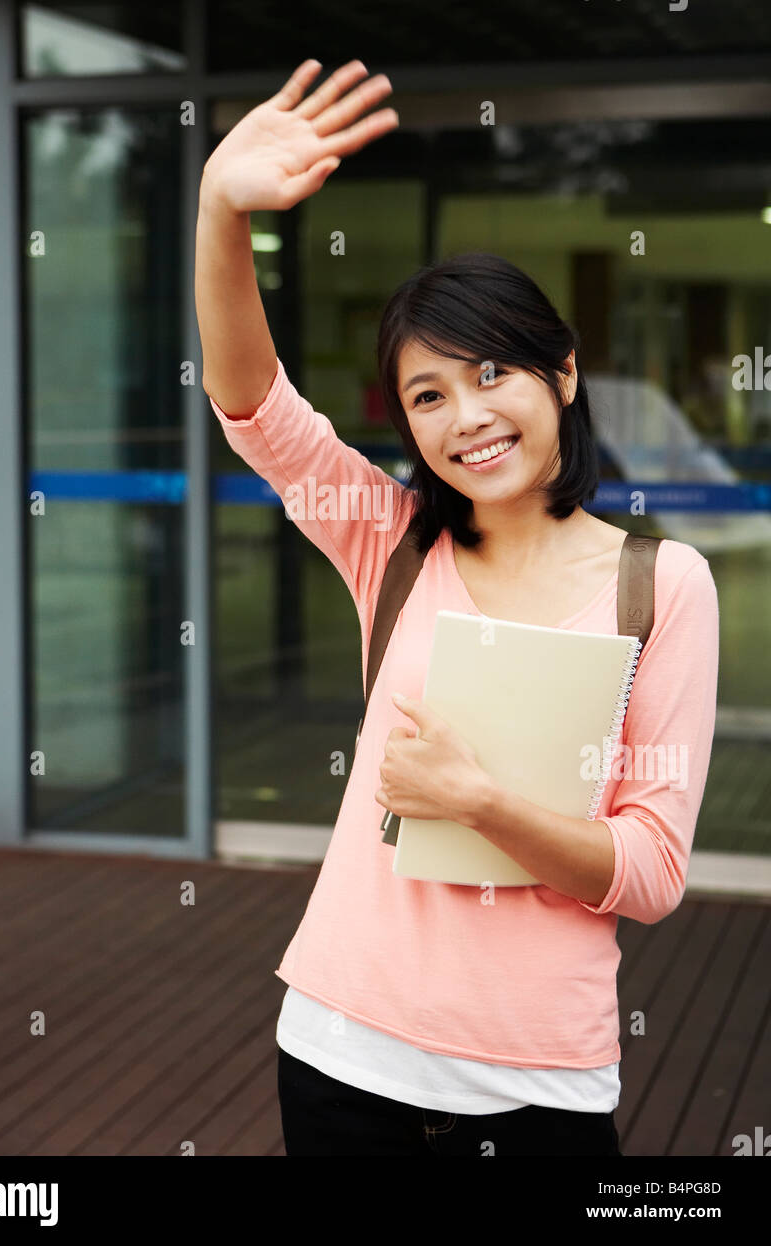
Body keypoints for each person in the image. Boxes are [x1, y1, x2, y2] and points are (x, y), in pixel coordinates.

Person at [194, 58, 720, 1157]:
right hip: (342, 1049)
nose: (466, 415)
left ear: (564, 377)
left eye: (494, 373)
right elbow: (253, 406)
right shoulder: (390, 538)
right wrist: (220, 211)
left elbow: (653, 872)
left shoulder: (661, 586)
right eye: (429, 394)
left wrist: (478, 800)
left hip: (544, 1082)